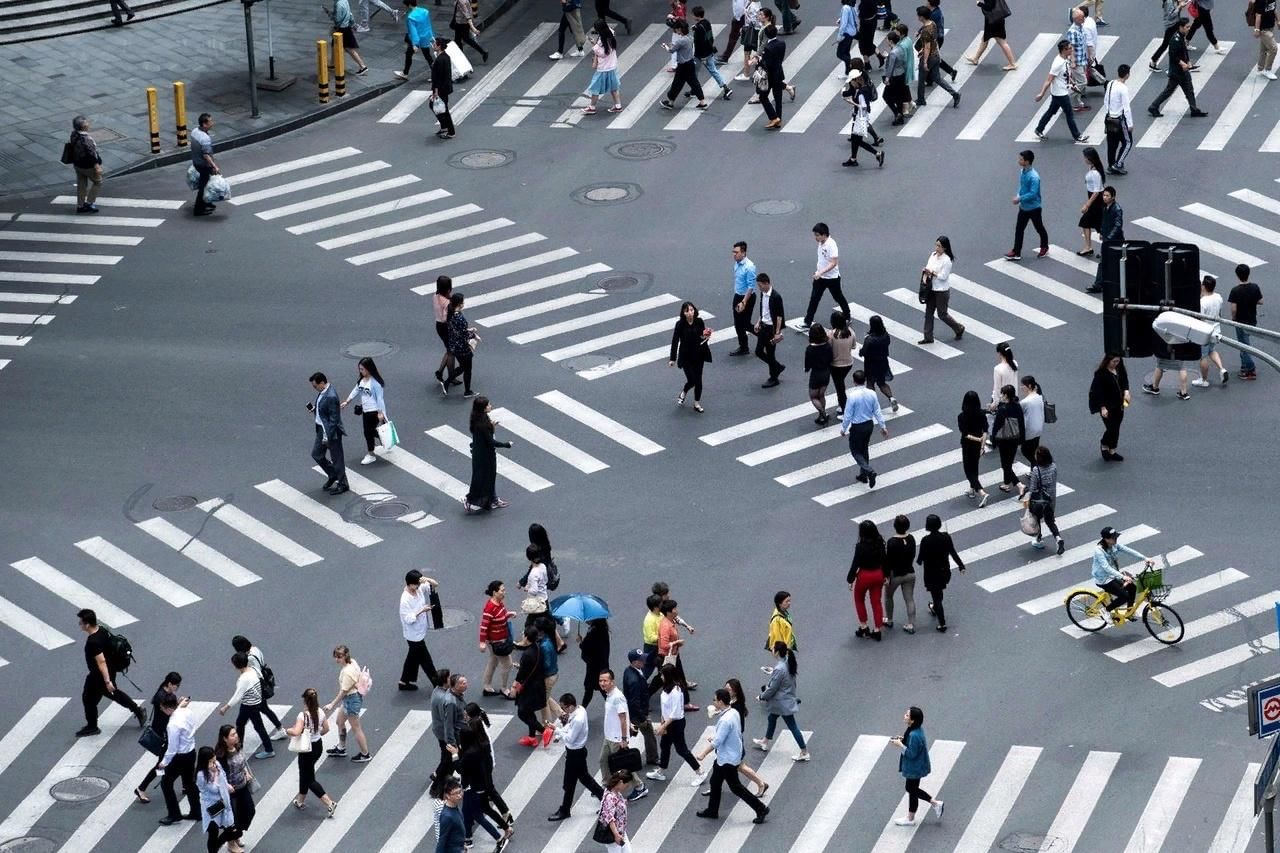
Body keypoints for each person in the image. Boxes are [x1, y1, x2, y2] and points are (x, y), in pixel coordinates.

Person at [695, 688, 770, 823]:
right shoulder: (733, 712)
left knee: (736, 787)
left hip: (727, 759)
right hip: (730, 755)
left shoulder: (725, 720)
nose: (713, 702)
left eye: (715, 700)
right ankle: (712, 810)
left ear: (721, 701)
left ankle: (761, 808)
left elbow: (718, 741)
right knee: (715, 782)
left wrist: (703, 754)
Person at [76, 608, 146, 737]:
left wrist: (107, 681)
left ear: (87, 624)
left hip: (99, 675)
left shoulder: (93, 642)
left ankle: (92, 726)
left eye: (80, 622)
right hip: (110, 669)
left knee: (90, 698)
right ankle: (137, 710)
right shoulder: (102, 630)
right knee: (106, 695)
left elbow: (101, 661)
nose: (79, 625)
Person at [548, 692, 605, 820]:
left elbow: (570, 739)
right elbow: (569, 727)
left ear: (570, 706)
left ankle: (566, 809)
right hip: (576, 752)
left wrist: (557, 731)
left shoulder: (578, 719)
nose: (562, 710)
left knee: (579, 781)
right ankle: (565, 809)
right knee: (574, 782)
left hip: (575, 754)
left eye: (563, 708)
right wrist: (560, 733)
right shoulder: (580, 710)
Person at [647, 664, 707, 783]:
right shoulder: (666, 688)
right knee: (665, 745)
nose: (661, 677)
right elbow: (665, 709)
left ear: (668, 676)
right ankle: (661, 770)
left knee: (681, 749)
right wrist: (662, 722)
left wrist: (663, 726)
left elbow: (675, 713)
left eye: (662, 675)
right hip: (668, 722)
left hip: (676, 724)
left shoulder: (676, 691)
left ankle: (700, 772)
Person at [753, 642, 810, 760]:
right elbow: (785, 678)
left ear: (777, 652)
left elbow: (773, 688)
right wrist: (772, 672)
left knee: (792, 726)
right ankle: (765, 741)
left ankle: (804, 752)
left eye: (773, 648)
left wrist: (762, 696)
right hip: (785, 699)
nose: (771, 650)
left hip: (782, 702)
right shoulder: (787, 662)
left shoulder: (780, 668)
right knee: (772, 718)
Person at [285, 688, 337, 816]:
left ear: (305, 700)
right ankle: (300, 800)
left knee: (308, 778)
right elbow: (326, 729)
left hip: (306, 749)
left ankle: (329, 802)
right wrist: (316, 735)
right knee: (306, 773)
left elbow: (296, 732)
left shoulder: (302, 716)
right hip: (318, 746)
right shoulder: (320, 712)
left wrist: (287, 730)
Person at [133, 672, 184, 803]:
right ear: (169, 684)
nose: (176, 688)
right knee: (162, 764)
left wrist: (178, 703)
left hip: (167, 733)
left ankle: (186, 784)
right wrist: (180, 705)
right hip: (163, 735)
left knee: (180, 758)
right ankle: (141, 788)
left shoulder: (167, 694)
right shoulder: (160, 697)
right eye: (176, 685)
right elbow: (169, 712)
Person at [598, 669, 648, 800]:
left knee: (622, 765)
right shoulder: (609, 694)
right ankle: (606, 784)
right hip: (608, 736)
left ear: (612, 682)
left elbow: (622, 718)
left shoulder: (617, 697)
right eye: (600, 680)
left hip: (617, 738)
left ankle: (639, 786)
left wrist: (624, 739)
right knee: (603, 760)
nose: (602, 683)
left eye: (605, 680)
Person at [216, 652, 275, 760]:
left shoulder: (244, 679)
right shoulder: (253, 670)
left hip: (250, 705)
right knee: (240, 723)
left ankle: (269, 749)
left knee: (258, 726)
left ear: (236, 665)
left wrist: (225, 707)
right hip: (254, 702)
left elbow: (237, 696)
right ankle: (239, 746)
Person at [891, 707, 943, 825]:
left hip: (914, 767)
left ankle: (934, 804)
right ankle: (911, 817)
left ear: (913, 720)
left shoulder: (914, 734)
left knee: (911, 789)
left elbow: (911, 753)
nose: (905, 716)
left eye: (907, 715)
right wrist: (903, 740)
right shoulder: (914, 730)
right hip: (916, 766)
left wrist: (900, 745)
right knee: (912, 790)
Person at [1148, 18, 1209, 118]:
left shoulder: (1182, 37)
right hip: (1176, 72)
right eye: (1187, 27)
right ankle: (1153, 107)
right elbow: (1173, 55)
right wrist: (1182, 63)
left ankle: (1194, 109)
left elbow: (1184, 51)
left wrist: (1188, 61)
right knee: (1168, 91)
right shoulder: (1175, 39)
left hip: (1183, 71)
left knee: (1189, 89)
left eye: (1189, 26)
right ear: (1181, 27)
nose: (1188, 29)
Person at [1031, 40, 1088, 143]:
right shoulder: (1057, 63)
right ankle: (1077, 136)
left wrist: (1073, 84)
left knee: (1051, 111)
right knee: (1069, 115)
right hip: (1060, 93)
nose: (1072, 50)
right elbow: (1049, 80)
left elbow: (1066, 74)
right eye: (1070, 48)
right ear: (1064, 50)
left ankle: (1039, 129)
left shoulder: (1065, 59)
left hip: (1060, 91)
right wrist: (1041, 94)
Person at [841, 369, 889, 488]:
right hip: (869, 425)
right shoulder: (872, 393)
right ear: (865, 380)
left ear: (854, 381)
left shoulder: (852, 396)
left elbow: (847, 415)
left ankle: (868, 471)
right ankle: (863, 475)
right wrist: (883, 426)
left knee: (855, 450)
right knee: (864, 449)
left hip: (857, 427)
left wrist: (843, 429)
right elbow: (877, 411)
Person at [156, 693, 199, 825]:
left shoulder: (173, 724)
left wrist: (164, 762)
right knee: (189, 783)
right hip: (191, 752)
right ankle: (196, 811)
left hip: (179, 757)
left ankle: (174, 814)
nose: (162, 711)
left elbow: (172, 748)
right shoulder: (186, 711)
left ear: (167, 708)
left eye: (162, 708)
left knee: (166, 783)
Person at [323, 645, 371, 763]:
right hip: (351, 699)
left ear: (345, 656)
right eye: (336, 656)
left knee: (356, 728)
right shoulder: (352, 662)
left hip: (351, 700)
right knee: (339, 721)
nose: (337, 659)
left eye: (339, 657)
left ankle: (365, 754)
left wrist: (332, 704)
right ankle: (341, 747)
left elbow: (343, 692)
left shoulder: (347, 672)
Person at [1092, 526, 1154, 616]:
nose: (1116, 539)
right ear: (1106, 539)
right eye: (1113, 538)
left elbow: (1128, 550)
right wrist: (1123, 576)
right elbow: (1106, 568)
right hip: (1103, 578)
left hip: (1113, 575)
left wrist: (1144, 558)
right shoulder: (1099, 551)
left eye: (1116, 536)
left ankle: (1129, 611)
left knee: (1132, 587)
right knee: (1124, 596)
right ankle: (1106, 611)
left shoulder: (1113, 545)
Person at [464, 396, 512, 513]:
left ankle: (493, 499)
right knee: (485, 478)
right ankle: (471, 499)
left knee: (487, 478)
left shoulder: (479, 418)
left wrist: (492, 426)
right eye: (488, 405)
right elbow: (491, 442)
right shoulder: (482, 424)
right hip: (485, 456)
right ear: (484, 408)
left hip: (481, 453)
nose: (491, 406)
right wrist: (507, 444)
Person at [917, 514, 964, 631]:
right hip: (944, 571)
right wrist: (961, 566)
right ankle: (934, 607)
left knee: (936, 596)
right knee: (939, 593)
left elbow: (919, 560)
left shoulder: (925, 540)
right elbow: (953, 553)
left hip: (931, 573)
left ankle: (942, 623)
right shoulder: (946, 537)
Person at [339, 357, 387, 466]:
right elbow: (356, 390)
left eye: (362, 369)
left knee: (367, 432)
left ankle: (371, 454)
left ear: (369, 369)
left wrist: (380, 412)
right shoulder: (362, 380)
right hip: (366, 410)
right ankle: (384, 439)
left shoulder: (375, 383)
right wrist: (347, 401)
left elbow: (380, 398)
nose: (360, 371)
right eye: (360, 369)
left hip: (374, 411)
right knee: (369, 431)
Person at [802, 223, 851, 330]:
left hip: (832, 278)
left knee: (838, 297)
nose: (815, 237)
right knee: (814, 299)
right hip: (820, 278)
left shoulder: (831, 245)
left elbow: (834, 263)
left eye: (817, 235)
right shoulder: (821, 242)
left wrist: (820, 272)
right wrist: (818, 273)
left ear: (824, 235)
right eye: (815, 235)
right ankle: (808, 321)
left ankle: (847, 315)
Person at [195, 746, 243, 853]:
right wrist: (216, 775)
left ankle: (227, 843)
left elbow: (224, 776)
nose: (214, 763)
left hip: (223, 800)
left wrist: (227, 785)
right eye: (211, 761)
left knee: (229, 826)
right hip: (212, 805)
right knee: (213, 831)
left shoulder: (216, 764)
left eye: (214, 759)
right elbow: (213, 789)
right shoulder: (201, 775)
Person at [401, 569, 441, 692]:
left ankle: (404, 681)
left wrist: (427, 579)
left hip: (420, 631)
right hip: (413, 635)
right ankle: (437, 683)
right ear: (410, 584)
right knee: (425, 660)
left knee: (413, 657)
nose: (418, 587)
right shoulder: (405, 599)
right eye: (416, 584)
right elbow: (408, 619)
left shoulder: (418, 590)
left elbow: (435, 585)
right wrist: (421, 611)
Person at [215, 726, 256, 845]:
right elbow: (218, 774)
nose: (236, 736)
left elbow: (242, 762)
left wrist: (246, 773)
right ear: (225, 739)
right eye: (232, 735)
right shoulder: (221, 755)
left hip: (242, 786)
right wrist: (227, 785)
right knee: (232, 819)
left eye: (236, 733)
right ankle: (231, 842)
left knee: (249, 811)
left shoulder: (238, 746)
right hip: (230, 791)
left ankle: (236, 834)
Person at [309, 371, 348, 495]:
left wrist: (328, 436)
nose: (315, 389)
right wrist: (317, 409)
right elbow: (324, 408)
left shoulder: (331, 396)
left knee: (337, 459)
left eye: (315, 386)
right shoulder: (323, 392)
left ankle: (343, 484)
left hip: (331, 432)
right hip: (322, 429)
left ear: (322, 383)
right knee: (317, 454)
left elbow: (334, 419)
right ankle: (333, 474)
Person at [1020, 445, 1064, 554]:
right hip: (1050, 498)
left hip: (1039, 500)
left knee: (1036, 518)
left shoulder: (1036, 470)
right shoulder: (1053, 466)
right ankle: (1058, 538)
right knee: (1050, 520)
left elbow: (1033, 488)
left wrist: (1028, 501)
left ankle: (1039, 538)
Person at [920, 236, 964, 343]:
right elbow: (928, 266)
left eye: (939, 246)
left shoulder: (947, 260)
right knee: (928, 313)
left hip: (941, 291)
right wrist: (925, 273)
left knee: (942, 314)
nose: (936, 248)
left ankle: (958, 328)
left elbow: (943, 277)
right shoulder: (933, 255)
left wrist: (932, 273)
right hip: (931, 289)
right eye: (936, 245)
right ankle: (928, 337)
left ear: (944, 248)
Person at [1005, 150, 1048, 261]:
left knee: (1039, 228)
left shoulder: (1034, 177)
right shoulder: (1022, 171)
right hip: (1023, 207)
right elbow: (1022, 186)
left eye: (1021, 159)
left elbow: (1033, 194)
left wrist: (1020, 198)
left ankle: (1044, 246)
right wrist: (1018, 195)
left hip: (1034, 208)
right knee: (1019, 229)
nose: (1019, 161)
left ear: (1027, 162)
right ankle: (1016, 252)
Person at [660, 18, 711, 110]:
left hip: (683, 66)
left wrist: (665, 46)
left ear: (679, 29)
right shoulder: (690, 38)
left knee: (677, 84)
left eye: (676, 29)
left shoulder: (680, 41)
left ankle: (670, 103)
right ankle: (702, 102)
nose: (675, 31)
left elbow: (671, 50)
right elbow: (682, 47)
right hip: (690, 63)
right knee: (694, 83)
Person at [848, 519, 887, 639]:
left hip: (864, 575)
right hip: (878, 574)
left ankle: (864, 626)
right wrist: (885, 576)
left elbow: (855, 564)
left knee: (859, 599)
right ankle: (877, 629)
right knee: (876, 602)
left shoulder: (860, 546)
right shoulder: (880, 543)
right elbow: (884, 560)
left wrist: (850, 579)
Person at [669, 301, 711, 412]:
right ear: (683, 313)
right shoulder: (680, 324)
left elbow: (702, 337)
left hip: (698, 354)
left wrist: (706, 335)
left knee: (698, 380)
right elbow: (675, 341)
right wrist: (673, 358)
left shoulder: (699, 321)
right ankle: (684, 391)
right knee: (691, 380)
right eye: (687, 311)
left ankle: (697, 403)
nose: (690, 312)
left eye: (691, 310)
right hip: (686, 356)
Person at [915, 7, 960, 107]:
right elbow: (932, 41)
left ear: (922, 17)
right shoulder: (932, 24)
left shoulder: (925, 31)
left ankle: (921, 99)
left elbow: (927, 47)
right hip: (936, 55)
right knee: (937, 78)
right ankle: (954, 94)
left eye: (918, 15)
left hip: (929, 57)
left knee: (921, 79)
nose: (917, 17)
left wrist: (925, 62)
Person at [1088, 352, 1130, 461]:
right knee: (1112, 428)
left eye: (1118, 361)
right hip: (1108, 406)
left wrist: (1126, 392)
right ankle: (1104, 444)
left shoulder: (1120, 368)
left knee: (1116, 428)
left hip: (1119, 404)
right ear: (1108, 361)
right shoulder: (1101, 374)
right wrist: (1102, 407)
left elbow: (1124, 380)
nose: (1116, 363)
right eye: (1114, 361)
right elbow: (1098, 392)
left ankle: (1112, 450)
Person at [747, 272, 786, 386]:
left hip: (771, 329)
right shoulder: (763, 294)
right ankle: (777, 367)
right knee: (759, 351)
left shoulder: (776, 297)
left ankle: (774, 377)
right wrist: (758, 322)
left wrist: (777, 333)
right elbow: (764, 310)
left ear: (766, 283)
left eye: (760, 285)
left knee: (770, 353)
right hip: (764, 326)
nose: (759, 287)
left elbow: (779, 316)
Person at [842, 68, 885, 168]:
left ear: (856, 80)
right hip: (861, 117)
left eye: (851, 81)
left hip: (860, 118)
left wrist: (851, 102)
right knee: (855, 139)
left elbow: (863, 106)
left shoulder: (861, 92)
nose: (851, 84)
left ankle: (877, 154)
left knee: (856, 140)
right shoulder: (864, 88)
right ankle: (853, 159)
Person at [479, 580, 515, 698]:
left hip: (500, 638)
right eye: (502, 590)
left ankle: (487, 686)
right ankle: (504, 688)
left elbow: (500, 617)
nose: (504, 592)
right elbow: (484, 626)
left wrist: (508, 615)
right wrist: (482, 642)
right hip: (496, 641)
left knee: (493, 661)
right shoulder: (490, 607)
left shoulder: (499, 603)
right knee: (507, 664)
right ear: (495, 592)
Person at [431, 671, 467, 785]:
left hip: (440, 730)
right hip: (445, 733)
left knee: (446, 758)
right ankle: (437, 784)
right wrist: (451, 742)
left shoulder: (437, 690)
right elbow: (448, 722)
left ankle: (439, 776)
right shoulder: (447, 700)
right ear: (445, 681)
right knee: (448, 760)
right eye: (449, 678)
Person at [513, 627, 548, 746]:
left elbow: (522, 672)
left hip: (529, 687)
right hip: (538, 684)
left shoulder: (527, 654)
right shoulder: (538, 647)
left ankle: (544, 731)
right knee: (529, 711)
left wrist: (516, 682)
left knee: (522, 712)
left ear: (527, 637)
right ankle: (532, 737)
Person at [883, 515, 918, 633]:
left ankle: (889, 620)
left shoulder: (892, 542)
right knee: (909, 599)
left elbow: (888, 561)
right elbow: (913, 554)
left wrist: (886, 576)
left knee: (888, 596)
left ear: (895, 526)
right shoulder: (912, 538)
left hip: (895, 575)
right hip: (910, 573)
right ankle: (911, 624)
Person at [1192, 275, 1228, 387]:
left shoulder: (1202, 302)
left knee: (1203, 356)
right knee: (1212, 350)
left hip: (1205, 332)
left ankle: (1203, 380)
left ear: (1203, 286)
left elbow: (1200, 318)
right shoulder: (1218, 297)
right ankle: (1221, 369)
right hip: (1216, 329)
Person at [1229, 264, 1263, 380]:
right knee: (1244, 343)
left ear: (1237, 275)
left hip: (1240, 321)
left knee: (1244, 346)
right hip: (1252, 319)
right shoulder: (1255, 287)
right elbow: (1261, 301)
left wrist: (1233, 319)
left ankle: (1250, 369)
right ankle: (1244, 367)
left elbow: (1234, 308)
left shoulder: (1235, 291)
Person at [625, 653, 659, 766]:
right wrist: (642, 718)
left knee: (629, 733)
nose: (644, 662)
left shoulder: (629, 671)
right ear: (634, 662)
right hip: (638, 714)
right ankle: (652, 758)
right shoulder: (634, 680)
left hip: (633, 712)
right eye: (641, 660)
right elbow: (634, 702)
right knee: (648, 734)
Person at [584, 19, 624, 114]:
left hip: (603, 68)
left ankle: (592, 107)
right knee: (614, 88)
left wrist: (594, 45)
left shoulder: (603, 40)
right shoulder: (610, 34)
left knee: (595, 88)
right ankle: (618, 106)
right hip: (612, 66)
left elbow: (603, 53)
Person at [957, 390, 989, 507]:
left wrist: (978, 439)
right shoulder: (981, 414)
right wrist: (982, 444)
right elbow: (985, 430)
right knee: (974, 467)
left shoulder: (961, 416)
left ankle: (981, 491)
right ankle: (972, 490)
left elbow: (965, 434)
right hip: (977, 447)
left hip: (967, 445)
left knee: (968, 471)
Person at [859, 317, 898, 412]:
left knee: (870, 383)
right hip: (883, 362)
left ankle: (872, 405)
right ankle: (891, 398)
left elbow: (864, 351)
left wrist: (861, 351)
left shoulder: (869, 339)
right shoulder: (885, 335)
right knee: (882, 383)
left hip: (871, 364)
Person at [991, 384, 1024, 492]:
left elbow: (996, 426)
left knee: (1005, 464)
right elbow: (1021, 423)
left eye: (1002, 393)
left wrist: (993, 440)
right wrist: (1021, 439)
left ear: (1005, 395)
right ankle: (1006, 484)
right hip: (1015, 438)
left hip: (1004, 440)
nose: (1001, 395)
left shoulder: (1003, 409)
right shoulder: (1017, 406)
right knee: (1008, 462)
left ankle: (1019, 485)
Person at [966, 0, 1017, 69]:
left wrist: (979, 3)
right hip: (995, 19)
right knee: (985, 39)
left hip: (994, 21)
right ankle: (975, 58)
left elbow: (989, 7)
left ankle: (1012, 63)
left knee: (1002, 42)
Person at [1102, 66, 1133, 175]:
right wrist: (1130, 124)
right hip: (1119, 120)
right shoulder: (1123, 88)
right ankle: (1118, 164)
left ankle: (1111, 165)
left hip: (1109, 118)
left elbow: (1106, 100)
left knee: (1112, 143)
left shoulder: (1110, 83)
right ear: (1127, 75)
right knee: (1128, 142)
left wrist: (1109, 113)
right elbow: (1126, 108)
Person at [68, 116, 103, 214]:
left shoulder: (74, 134)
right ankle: (90, 203)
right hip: (88, 166)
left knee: (82, 184)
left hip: (77, 164)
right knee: (98, 182)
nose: (88, 123)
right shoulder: (86, 139)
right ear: (83, 126)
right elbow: (91, 154)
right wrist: (97, 166)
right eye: (86, 122)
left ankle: (80, 205)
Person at [756, 24, 787, 128]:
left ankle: (774, 117)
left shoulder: (768, 48)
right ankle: (779, 120)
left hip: (770, 76)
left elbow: (766, 64)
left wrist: (760, 61)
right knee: (778, 98)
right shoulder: (782, 43)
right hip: (779, 73)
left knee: (763, 97)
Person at [395, 0, 435, 80]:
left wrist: (415, 44)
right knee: (428, 56)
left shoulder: (411, 18)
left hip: (416, 39)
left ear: (409, 5)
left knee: (409, 55)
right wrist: (431, 36)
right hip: (426, 37)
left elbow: (414, 31)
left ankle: (405, 73)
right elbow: (428, 25)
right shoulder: (424, 11)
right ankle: (435, 74)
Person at [729, 241, 757, 355]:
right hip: (738, 295)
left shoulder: (749, 267)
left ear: (743, 253)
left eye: (736, 252)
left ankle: (765, 337)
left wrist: (744, 302)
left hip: (747, 298)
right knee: (738, 324)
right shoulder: (737, 263)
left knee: (745, 324)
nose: (734, 254)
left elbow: (751, 287)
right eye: (733, 252)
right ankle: (744, 347)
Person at [190, 113, 220, 217]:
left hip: (196, 162)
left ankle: (207, 202)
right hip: (203, 165)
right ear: (204, 124)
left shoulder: (194, 131)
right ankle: (198, 209)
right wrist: (214, 166)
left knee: (206, 184)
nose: (212, 123)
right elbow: (206, 155)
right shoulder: (205, 138)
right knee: (203, 187)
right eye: (210, 121)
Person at [328, 0, 370, 75]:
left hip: (342, 29)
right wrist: (352, 23)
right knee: (334, 45)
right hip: (346, 27)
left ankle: (363, 66)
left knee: (349, 49)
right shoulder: (345, 1)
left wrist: (331, 15)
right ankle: (332, 64)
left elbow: (338, 19)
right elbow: (350, 14)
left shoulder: (339, 4)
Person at [1077, 148, 1105, 256]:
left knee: (1100, 226)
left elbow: (1097, 191)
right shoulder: (1093, 168)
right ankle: (1088, 247)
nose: (1084, 159)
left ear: (1090, 158)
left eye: (1085, 157)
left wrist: (1087, 205)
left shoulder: (1095, 173)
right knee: (1086, 222)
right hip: (1094, 199)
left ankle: (1104, 250)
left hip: (1096, 202)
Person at [804, 324, 834, 426]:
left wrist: (806, 368)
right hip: (826, 373)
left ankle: (823, 413)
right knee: (821, 395)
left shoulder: (810, 349)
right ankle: (821, 415)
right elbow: (831, 359)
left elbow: (807, 364)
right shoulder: (827, 346)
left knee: (813, 396)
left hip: (816, 374)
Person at [829, 311, 856, 416]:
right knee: (840, 384)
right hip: (848, 363)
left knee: (839, 387)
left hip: (835, 365)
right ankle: (842, 405)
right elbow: (853, 346)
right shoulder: (851, 332)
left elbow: (828, 349)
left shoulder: (831, 335)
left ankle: (844, 407)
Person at [579, 618, 610, 710]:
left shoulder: (594, 633)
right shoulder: (603, 629)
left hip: (594, 667)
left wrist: (581, 642)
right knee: (602, 689)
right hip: (601, 665)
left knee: (591, 689)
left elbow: (587, 648)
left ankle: (582, 709)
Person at [599, 771, 635, 850]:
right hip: (614, 835)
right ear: (621, 782)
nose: (627, 788)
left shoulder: (616, 793)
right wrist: (616, 835)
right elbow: (610, 819)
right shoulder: (610, 797)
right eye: (627, 785)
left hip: (621, 831)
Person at [431, 37, 457, 139]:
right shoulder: (445, 56)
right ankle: (444, 127)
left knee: (443, 110)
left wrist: (436, 91)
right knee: (438, 107)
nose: (433, 45)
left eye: (435, 44)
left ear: (439, 46)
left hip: (441, 88)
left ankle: (451, 131)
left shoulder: (440, 59)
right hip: (445, 87)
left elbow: (438, 77)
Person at [1018, 375, 1045, 465]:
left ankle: (1036, 467)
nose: (1021, 387)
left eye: (1023, 385)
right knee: (1034, 451)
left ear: (1029, 386)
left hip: (1029, 431)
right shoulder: (1040, 397)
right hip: (1039, 428)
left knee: (1025, 451)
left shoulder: (1024, 402)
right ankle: (1035, 470)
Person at [436, 778, 466, 853]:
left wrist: (463, 845)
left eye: (460, 792)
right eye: (456, 793)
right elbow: (442, 841)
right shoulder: (447, 817)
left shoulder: (456, 807)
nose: (459, 796)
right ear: (447, 795)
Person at [990, 341, 1018, 409]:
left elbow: (997, 388)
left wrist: (995, 403)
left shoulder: (998, 369)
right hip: (1014, 397)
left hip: (1003, 399)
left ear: (999, 353)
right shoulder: (1014, 363)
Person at [1256, 0, 1279, 79]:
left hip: (1270, 27)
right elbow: (1258, 15)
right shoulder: (1261, 1)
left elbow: (1274, 9)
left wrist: (1278, 21)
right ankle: (1267, 70)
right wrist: (1257, 30)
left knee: (1264, 49)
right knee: (1274, 48)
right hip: (1263, 30)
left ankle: (1260, 68)